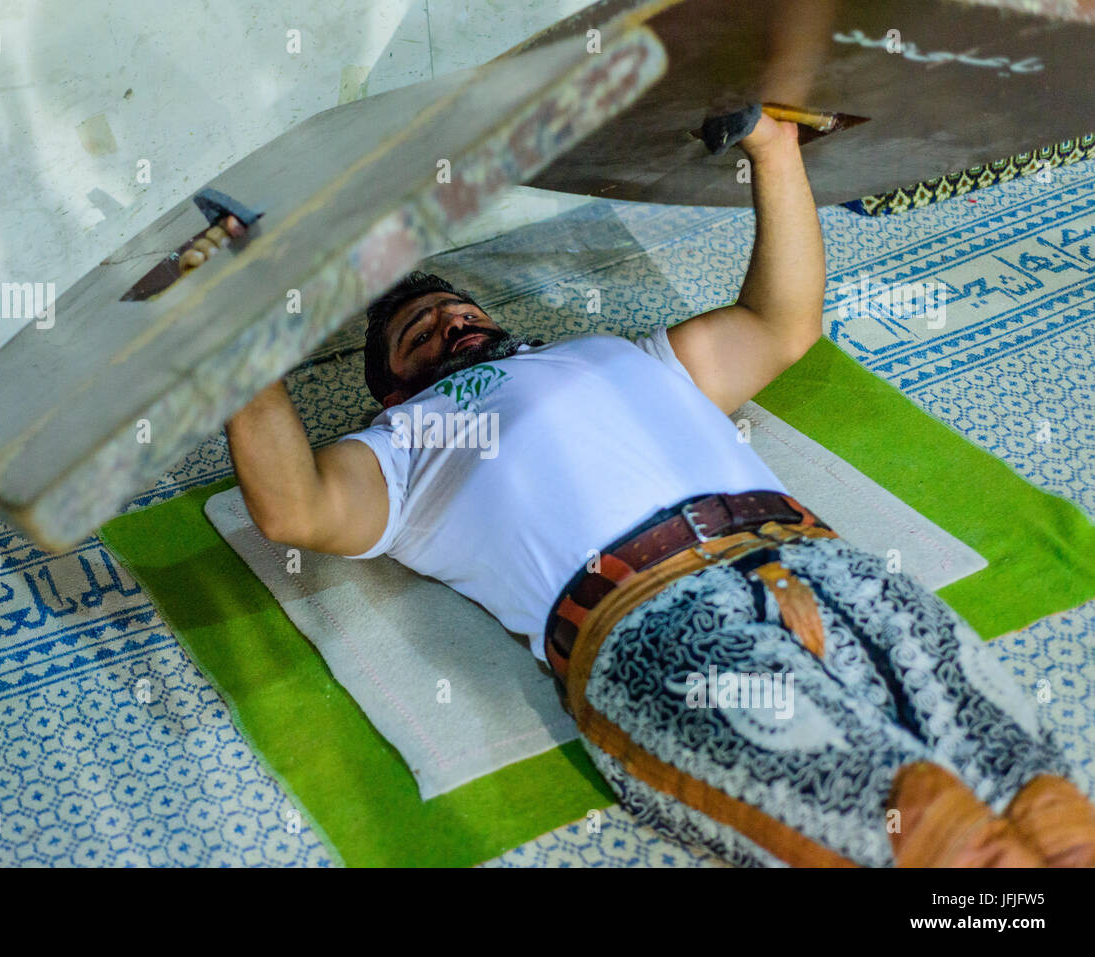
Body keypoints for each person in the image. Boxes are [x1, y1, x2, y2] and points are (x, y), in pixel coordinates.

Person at [199, 111, 1095, 867]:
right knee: (931, 832)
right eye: (414, 334)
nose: (443, 318)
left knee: (1051, 814)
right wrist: (235, 331)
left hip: (828, 563)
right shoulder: (398, 446)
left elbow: (780, 323)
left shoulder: (620, 356)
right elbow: (294, 506)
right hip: (647, 623)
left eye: (455, 309)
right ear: (392, 388)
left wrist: (772, 149)